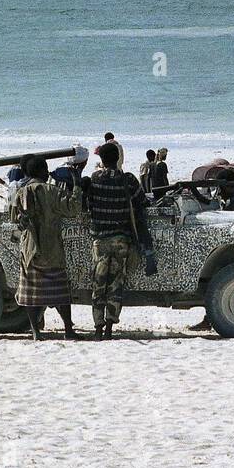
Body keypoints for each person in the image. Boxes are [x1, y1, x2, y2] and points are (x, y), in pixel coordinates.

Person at [79, 142, 152, 338]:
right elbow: (142, 202)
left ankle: (97, 327)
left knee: (98, 283)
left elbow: (86, 203)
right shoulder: (128, 180)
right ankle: (110, 326)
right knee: (116, 284)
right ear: (118, 158)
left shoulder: (94, 178)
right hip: (121, 240)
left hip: (100, 241)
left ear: (101, 160)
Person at [9, 156, 81, 340]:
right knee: (61, 293)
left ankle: (35, 331)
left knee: (31, 293)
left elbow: (13, 219)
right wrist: (77, 185)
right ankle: (68, 330)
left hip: (31, 250)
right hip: (53, 249)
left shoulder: (20, 193)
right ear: (44, 171)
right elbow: (73, 209)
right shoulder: (54, 192)